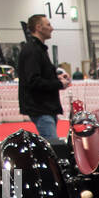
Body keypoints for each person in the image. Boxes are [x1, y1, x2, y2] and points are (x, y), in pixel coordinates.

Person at [18, 13, 70, 143]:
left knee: (52, 144)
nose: (51, 28)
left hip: (45, 107)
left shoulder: (38, 49)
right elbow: (33, 80)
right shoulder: (32, 50)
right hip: (40, 107)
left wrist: (57, 78)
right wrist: (59, 84)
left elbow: (39, 75)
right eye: (48, 25)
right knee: (53, 146)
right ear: (39, 27)